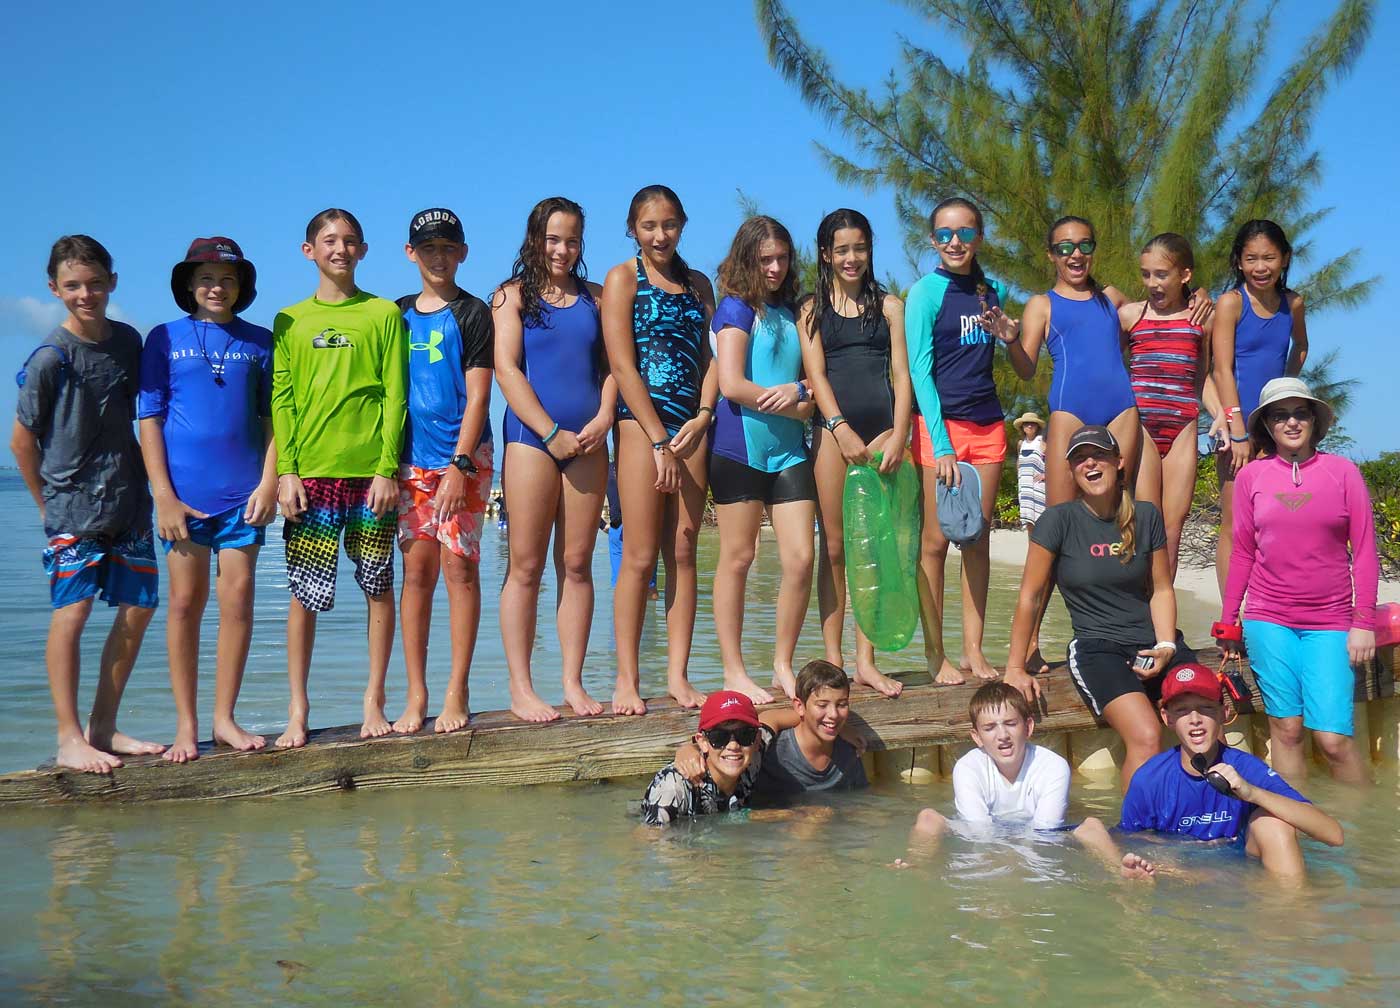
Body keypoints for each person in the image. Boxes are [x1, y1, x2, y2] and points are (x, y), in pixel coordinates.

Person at [11, 235, 163, 773]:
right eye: (73, 285)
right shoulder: (51, 357)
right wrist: (44, 504)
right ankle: (68, 736)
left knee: (140, 608)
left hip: (128, 499)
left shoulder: (127, 341)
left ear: (112, 283)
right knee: (70, 613)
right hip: (71, 506)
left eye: (96, 283)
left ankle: (104, 725)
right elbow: (22, 441)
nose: (86, 293)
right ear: (54, 289)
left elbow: (143, 417)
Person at [270, 208, 407, 747]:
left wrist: (386, 468)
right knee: (304, 595)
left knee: (378, 586)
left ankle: (374, 697)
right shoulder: (289, 321)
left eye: (350, 241)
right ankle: (298, 709)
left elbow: (394, 393)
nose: (340, 249)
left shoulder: (382, 315)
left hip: (371, 477)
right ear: (310, 251)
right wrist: (287, 472)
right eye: (330, 241)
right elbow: (283, 400)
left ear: (364, 250)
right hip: (312, 477)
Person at [138, 237, 277, 762]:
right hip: (184, 501)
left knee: (238, 603)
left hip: (244, 498)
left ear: (242, 286)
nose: (216, 287)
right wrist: (163, 497)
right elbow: (148, 418)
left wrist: (268, 484)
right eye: (206, 278)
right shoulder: (163, 338)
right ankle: (186, 726)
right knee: (182, 605)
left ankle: (224, 719)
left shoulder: (260, 342)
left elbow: (273, 421)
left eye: (227, 278)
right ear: (188, 285)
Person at [1218, 377, 1377, 784]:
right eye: (1280, 415)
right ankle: (1294, 827)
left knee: (1333, 741)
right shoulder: (1252, 477)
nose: (1291, 422)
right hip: (1268, 619)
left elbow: (1363, 552)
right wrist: (1229, 620)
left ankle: (1361, 837)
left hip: (1331, 622)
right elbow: (1243, 553)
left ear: (1313, 420)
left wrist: (1364, 623)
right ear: (1267, 426)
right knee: (1285, 732)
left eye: (1299, 413)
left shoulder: (1343, 473)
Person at [493, 196, 615, 722]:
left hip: (588, 438)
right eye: (553, 238)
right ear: (534, 239)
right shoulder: (510, 297)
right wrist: (549, 433)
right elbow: (506, 370)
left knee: (577, 564)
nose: (562, 249)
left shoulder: (599, 297)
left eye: (571, 239)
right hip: (530, 438)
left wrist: (605, 418)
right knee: (525, 565)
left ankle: (572, 681)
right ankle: (521, 688)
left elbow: (615, 366)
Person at [1004, 425, 1178, 793]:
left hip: (1151, 644)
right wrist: (1014, 667)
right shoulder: (1058, 521)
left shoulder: (1146, 516)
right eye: (1080, 458)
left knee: (1205, 722)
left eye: (1099, 455)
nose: (1090, 464)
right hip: (1098, 649)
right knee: (1147, 736)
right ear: (1071, 470)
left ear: (1119, 462)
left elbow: (1161, 589)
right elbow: (1030, 596)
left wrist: (1166, 646)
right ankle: (1138, 836)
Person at [905, 198, 1033, 685]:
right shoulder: (924, 293)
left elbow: (1012, 357)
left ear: (979, 236)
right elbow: (920, 370)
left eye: (964, 232)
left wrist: (1009, 336)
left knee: (976, 540)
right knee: (935, 543)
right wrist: (940, 445)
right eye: (943, 234)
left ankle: (974, 652)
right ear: (932, 240)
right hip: (942, 430)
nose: (954, 242)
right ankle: (935, 654)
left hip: (989, 425)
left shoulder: (992, 290)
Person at [601, 185, 716, 714]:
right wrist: (658, 440)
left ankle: (677, 674)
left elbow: (712, 359)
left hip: (693, 427)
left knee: (685, 551)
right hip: (639, 429)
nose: (660, 235)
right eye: (649, 226)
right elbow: (622, 365)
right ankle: (627, 678)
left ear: (683, 224)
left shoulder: (698, 285)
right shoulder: (624, 279)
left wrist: (704, 415)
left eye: (669, 224)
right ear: (633, 229)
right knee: (641, 557)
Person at [799, 208, 909, 698]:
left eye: (859, 248)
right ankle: (832, 660)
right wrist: (839, 427)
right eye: (841, 249)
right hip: (832, 435)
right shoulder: (811, 309)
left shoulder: (890, 307)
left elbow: (902, 378)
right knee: (837, 549)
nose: (851, 258)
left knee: (876, 549)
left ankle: (866, 660)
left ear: (870, 249)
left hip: (883, 434)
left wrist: (900, 432)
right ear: (826, 253)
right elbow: (817, 375)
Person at [393, 208, 494, 735]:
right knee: (417, 574)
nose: (438, 257)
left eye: (447, 248)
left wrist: (459, 464)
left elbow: (479, 395)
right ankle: (416, 692)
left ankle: (458, 689)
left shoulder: (474, 313)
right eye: (428, 248)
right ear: (411, 253)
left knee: (460, 570)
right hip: (409, 463)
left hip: (464, 461)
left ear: (462, 254)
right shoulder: (396, 315)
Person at [709, 216, 817, 703]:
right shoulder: (735, 308)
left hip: (790, 448)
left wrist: (797, 395)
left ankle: (781, 664)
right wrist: (792, 396)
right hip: (739, 448)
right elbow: (731, 384)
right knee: (739, 557)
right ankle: (734, 670)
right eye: (765, 258)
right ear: (747, 257)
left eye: (782, 258)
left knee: (800, 557)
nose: (775, 267)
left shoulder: (794, 312)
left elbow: (811, 391)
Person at [904, 681, 1154, 879]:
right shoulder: (967, 767)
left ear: (1028, 727)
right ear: (976, 736)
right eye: (989, 728)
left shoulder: (1054, 766)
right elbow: (977, 830)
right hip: (980, 832)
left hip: (1042, 834)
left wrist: (1015, 861)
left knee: (1092, 826)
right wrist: (1006, 860)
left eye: (1011, 724)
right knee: (928, 817)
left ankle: (1120, 870)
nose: (1002, 735)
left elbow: (1046, 831)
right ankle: (915, 867)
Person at [1116, 663, 1343, 880]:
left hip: (1243, 872)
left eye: (1205, 708)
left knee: (1273, 822)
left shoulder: (1247, 768)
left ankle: (1292, 911)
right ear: (1167, 718)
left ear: (1224, 713)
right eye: (1182, 711)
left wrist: (1252, 792)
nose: (1195, 720)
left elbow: (1334, 835)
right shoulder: (1149, 779)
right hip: (1182, 874)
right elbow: (1129, 843)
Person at [1210, 220, 1309, 596]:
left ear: (1285, 258)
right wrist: (1237, 430)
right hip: (1237, 427)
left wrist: (1286, 392)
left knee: (1279, 521)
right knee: (1235, 524)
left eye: (1269, 257)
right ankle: (1230, 617)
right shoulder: (1231, 303)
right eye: (1251, 258)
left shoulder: (1293, 303)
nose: (1261, 267)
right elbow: (1220, 368)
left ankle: (1272, 605)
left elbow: (1300, 346)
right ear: (1238, 262)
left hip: (1276, 427)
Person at [1119, 233, 1217, 580]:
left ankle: (1162, 617)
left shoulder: (1202, 319)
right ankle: (1137, 614)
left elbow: (1203, 378)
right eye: (1146, 274)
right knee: (1146, 522)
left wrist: (1221, 415)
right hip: (1142, 426)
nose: (1152, 283)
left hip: (1184, 427)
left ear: (1185, 276)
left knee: (1173, 528)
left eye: (1161, 274)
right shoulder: (1130, 316)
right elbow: (1113, 371)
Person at [638, 690, 790, 825]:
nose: (733, 745)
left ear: (756, 740)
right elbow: (651, 841)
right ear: (703, 742)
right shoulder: (673, 788)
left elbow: (773, 718)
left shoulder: (752, 755)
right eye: (719, 737)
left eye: (744, 735)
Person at [1014, 412, 1046, 529]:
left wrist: (1045, 474)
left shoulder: (1042, 441)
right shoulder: (1021, 443)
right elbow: (1019, 461)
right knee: (1029, 523)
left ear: (1037, 426)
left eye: (1033, 423)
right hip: (1025, 487)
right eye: (1026, 424)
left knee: (1041, 521)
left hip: (1039, 487)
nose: (1030, 426)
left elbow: (1054, 459)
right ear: (1022, 426)